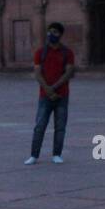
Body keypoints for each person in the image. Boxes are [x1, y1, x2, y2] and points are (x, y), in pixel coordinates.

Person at [25, 21, 75, 165]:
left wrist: (53, 88)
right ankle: (34, 155)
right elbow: (37, 73)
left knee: (60, 127)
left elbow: (68, 73)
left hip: (61, 95)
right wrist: (48, 89)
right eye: (49, 31)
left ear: (60, 34)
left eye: (54, 32)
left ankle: (57, 154)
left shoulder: (67, 53)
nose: (51, 34)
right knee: (40, 126)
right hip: (45, 95)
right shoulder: (41, 52)